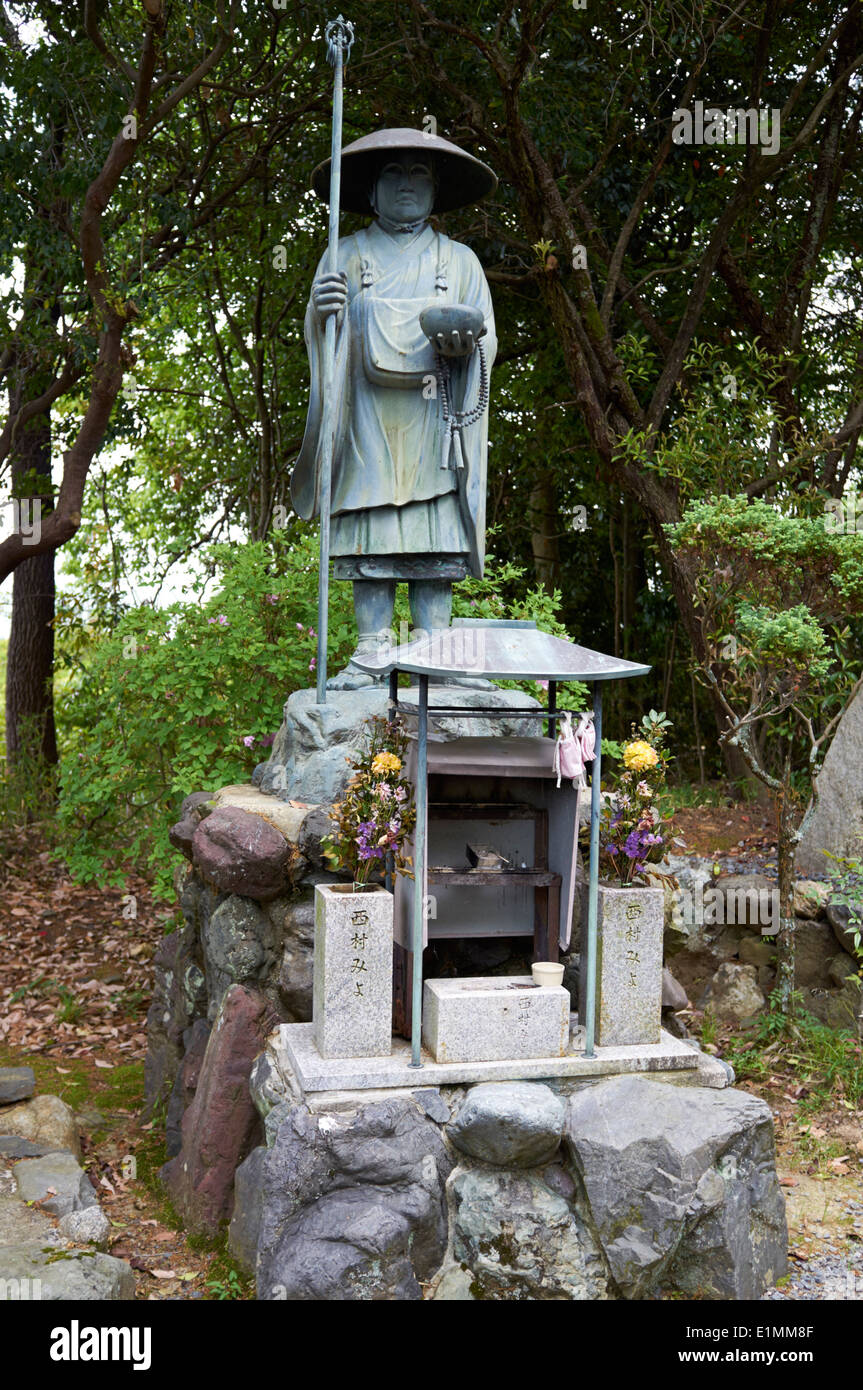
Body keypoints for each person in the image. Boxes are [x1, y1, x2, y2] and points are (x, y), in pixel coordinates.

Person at [291, 128, 497, 689]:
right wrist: (322, 314)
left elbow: (487, 339)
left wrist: (467, 346)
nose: (406, 186)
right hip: (367, 419)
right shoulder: (345, 252)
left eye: (419, 176)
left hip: (436, 419)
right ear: (371, 190)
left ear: (435, 191)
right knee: (372, 526)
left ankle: (437, 649)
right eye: (392, 175)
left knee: (434, 527)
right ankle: (372, 653)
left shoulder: (460, 262)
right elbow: (319, 338)